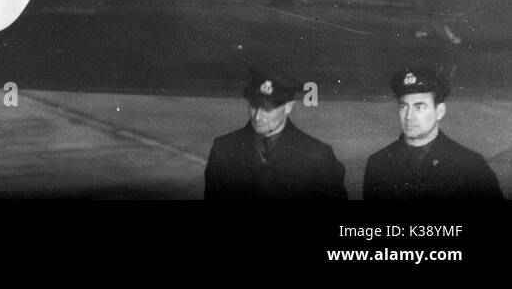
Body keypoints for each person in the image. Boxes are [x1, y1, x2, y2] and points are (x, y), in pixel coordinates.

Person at [204, 69, 347, 199]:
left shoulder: (318, 155)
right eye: (254, 106)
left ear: (288, 107)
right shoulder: (223, 148)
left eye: (267, 109)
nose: (258, 117)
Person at [362, 66, 502, 200]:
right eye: (403, 107)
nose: (409, 116)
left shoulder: (470, 165)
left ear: (439, 111)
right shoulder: (378, 164)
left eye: (420, 107)